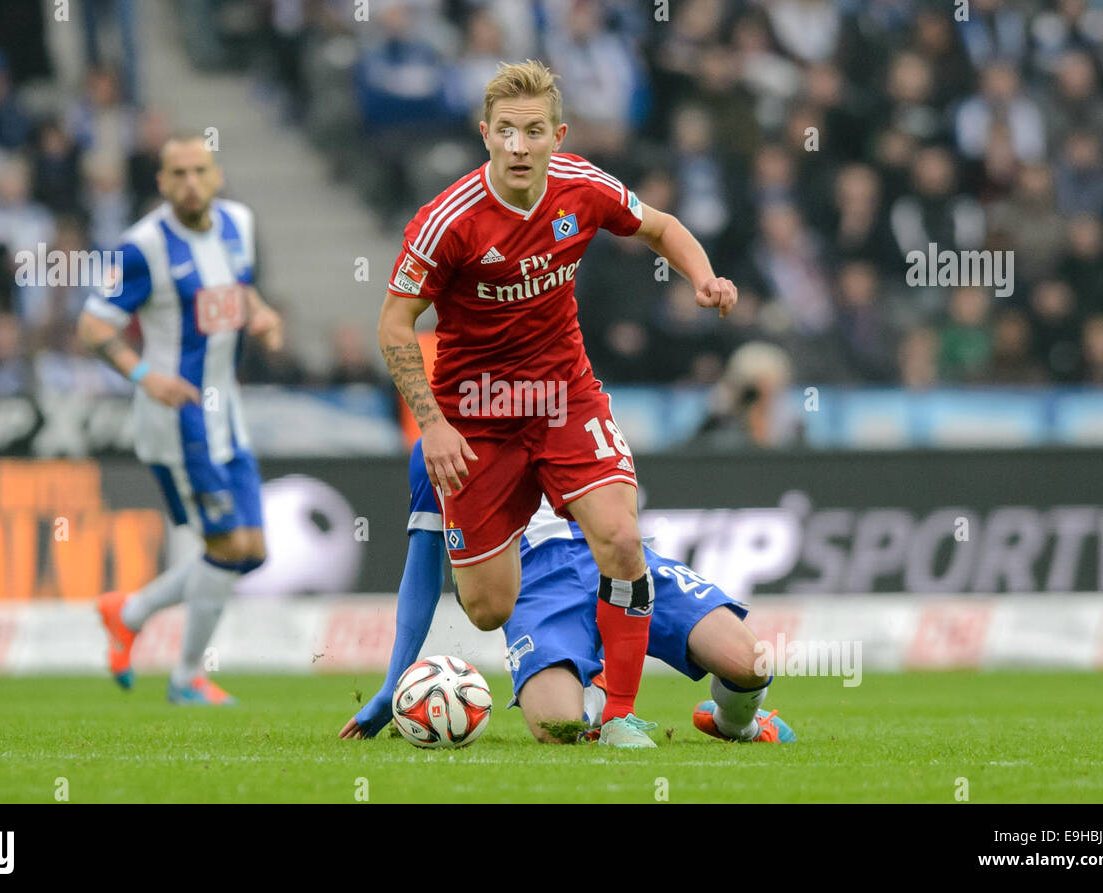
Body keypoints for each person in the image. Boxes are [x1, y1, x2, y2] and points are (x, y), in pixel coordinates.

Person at [377, 60, 738, 748]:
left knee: (622, 537)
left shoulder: (582, 187)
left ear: (556, 135)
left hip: (563, 396)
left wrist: (705, 276)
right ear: (485, 135)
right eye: (506, 132)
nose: (519, 146)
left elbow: (659, 226)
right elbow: (395, 324)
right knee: (488, 608)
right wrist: (435, 427)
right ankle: (549, 628)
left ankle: (620, 709)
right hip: (477, 415)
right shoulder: (446, 221)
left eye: (533, 131)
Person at [338, 439, 796, 745]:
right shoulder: (436, 445)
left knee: (751, 664)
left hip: (612, 557)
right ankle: (591, 686)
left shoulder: (568, 397)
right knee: (558, 730)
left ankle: (740, 724)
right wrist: (389, 689)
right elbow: (422, 567)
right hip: (534, 581)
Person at [78, 134, 283, 705]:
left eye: (200, 170)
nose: (191, 182)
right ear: (162, 184)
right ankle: (186, 676)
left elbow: (240, 290)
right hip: (178, 422)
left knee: (252, 551)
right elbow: (93, 328)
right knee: (225, 545)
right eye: (178, 174)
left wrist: (262, 315)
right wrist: (146, 375)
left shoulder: (238, 222)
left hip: (228, 414)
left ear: (216, 175)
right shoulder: (141, 247)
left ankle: (130, 611)